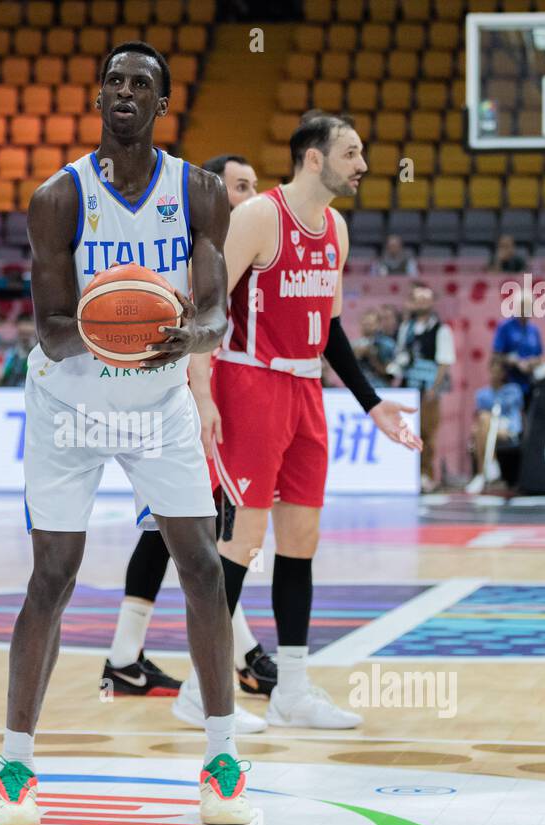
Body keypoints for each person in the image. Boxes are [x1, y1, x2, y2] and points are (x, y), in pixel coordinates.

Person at [0, 41, 252, 825]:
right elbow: (51, 326)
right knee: (54, 575)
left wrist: (190, 334)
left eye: (142, 83)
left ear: (162, 103)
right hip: (68, 403)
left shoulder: (200, 191)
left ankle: (223, 758)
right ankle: (14, 765)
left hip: (156, 404)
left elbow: (216, 310)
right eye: (114, 82)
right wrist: (126, 328)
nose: (126, 92)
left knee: (202, 565)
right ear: (99, 97)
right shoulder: (56, 198)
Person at [185, 109, 421, 732]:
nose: (362, 165)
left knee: (301, 541)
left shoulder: (336, 227)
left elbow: (332, 327)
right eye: (351, 153)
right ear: (313, 158)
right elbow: (207, 306)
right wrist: (202, 392)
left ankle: (291, 690)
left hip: (306, 389)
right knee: (241, 541)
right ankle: (198, 688)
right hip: (249, 382)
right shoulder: (259, 217)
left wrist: (371, 402)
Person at [103, 150, 275, 721]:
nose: (253, 196)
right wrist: (200, 397)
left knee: (174, 534)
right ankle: (243, 658)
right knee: (198, 535)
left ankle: (125, 659)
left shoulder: (241, 257)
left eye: (255, 185)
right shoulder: (190, 255)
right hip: (170, 405)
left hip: (202, 404)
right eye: (240, 186)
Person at [394, 282, 455, 492]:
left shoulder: (441, 329)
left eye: (425, 299)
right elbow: (401, 354)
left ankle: (426, 475)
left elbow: (444, 362)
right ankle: (408, 474)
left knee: (428, 433)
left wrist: (434, 388)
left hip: (428, 388)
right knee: (407, 432)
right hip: (408, 387)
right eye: (417, 299)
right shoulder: (406, 328)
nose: (421, 303)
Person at [466, 354, 525, 494]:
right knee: (483, 421)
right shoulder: (482, 394)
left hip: (508, 428)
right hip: (489, 428)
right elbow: (480, 416)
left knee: (482, 427)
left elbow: (513, 412)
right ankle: (489, 465)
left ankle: (481, 474)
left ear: (504, 373)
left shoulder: (513, 390)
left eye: (498, 371)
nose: (495, 374)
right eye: (493, 370)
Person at [492, 292, 544, 404]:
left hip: (529, 383)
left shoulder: (534, 330)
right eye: (523, 306)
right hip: (508, 382)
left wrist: (531, 363)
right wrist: (515, 362)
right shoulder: (505, 327)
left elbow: (540, 357)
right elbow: (496, 356)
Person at [352, 308, 397, 390]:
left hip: (381, 387)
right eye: (365, 324)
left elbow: (390, 373)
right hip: (359, 388)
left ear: (378, 325)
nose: (367, 327)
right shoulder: (353, 345)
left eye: (370, 324)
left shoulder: (387, 344)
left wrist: (371, 355)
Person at [0, 313, 36, 387]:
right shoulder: (12, 351)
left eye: (28, 334)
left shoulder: (39, 352)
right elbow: (5, 372)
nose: (25, 338)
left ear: (34, 335)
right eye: (22, 334)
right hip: (13, 385)